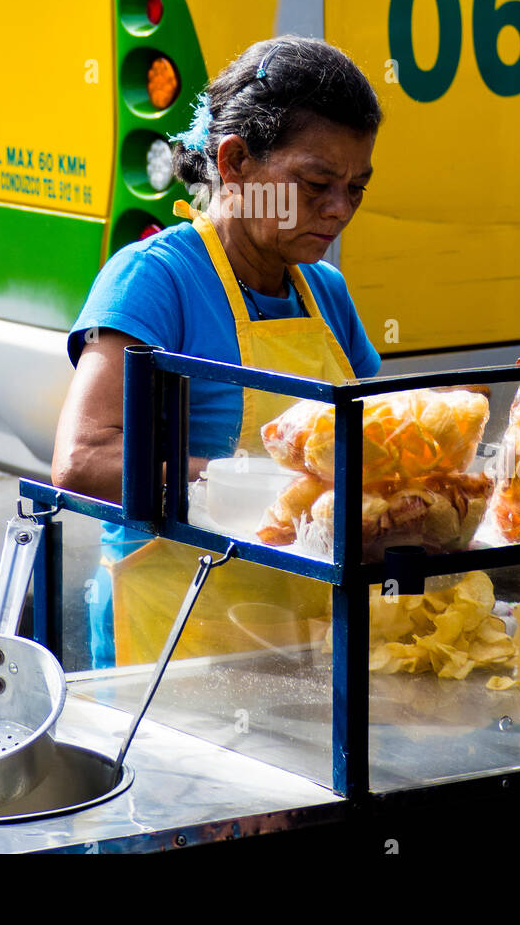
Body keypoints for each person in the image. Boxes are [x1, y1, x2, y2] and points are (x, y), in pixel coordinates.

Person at [52, 35, 383, 666]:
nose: (339, 210)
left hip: (301, 641)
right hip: (175, 645)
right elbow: (82, 461)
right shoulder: (155, 280)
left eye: (357, 188)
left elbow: (373, 442)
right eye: (315, 184)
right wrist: (266, 483)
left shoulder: (326, 294)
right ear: (234, 162)